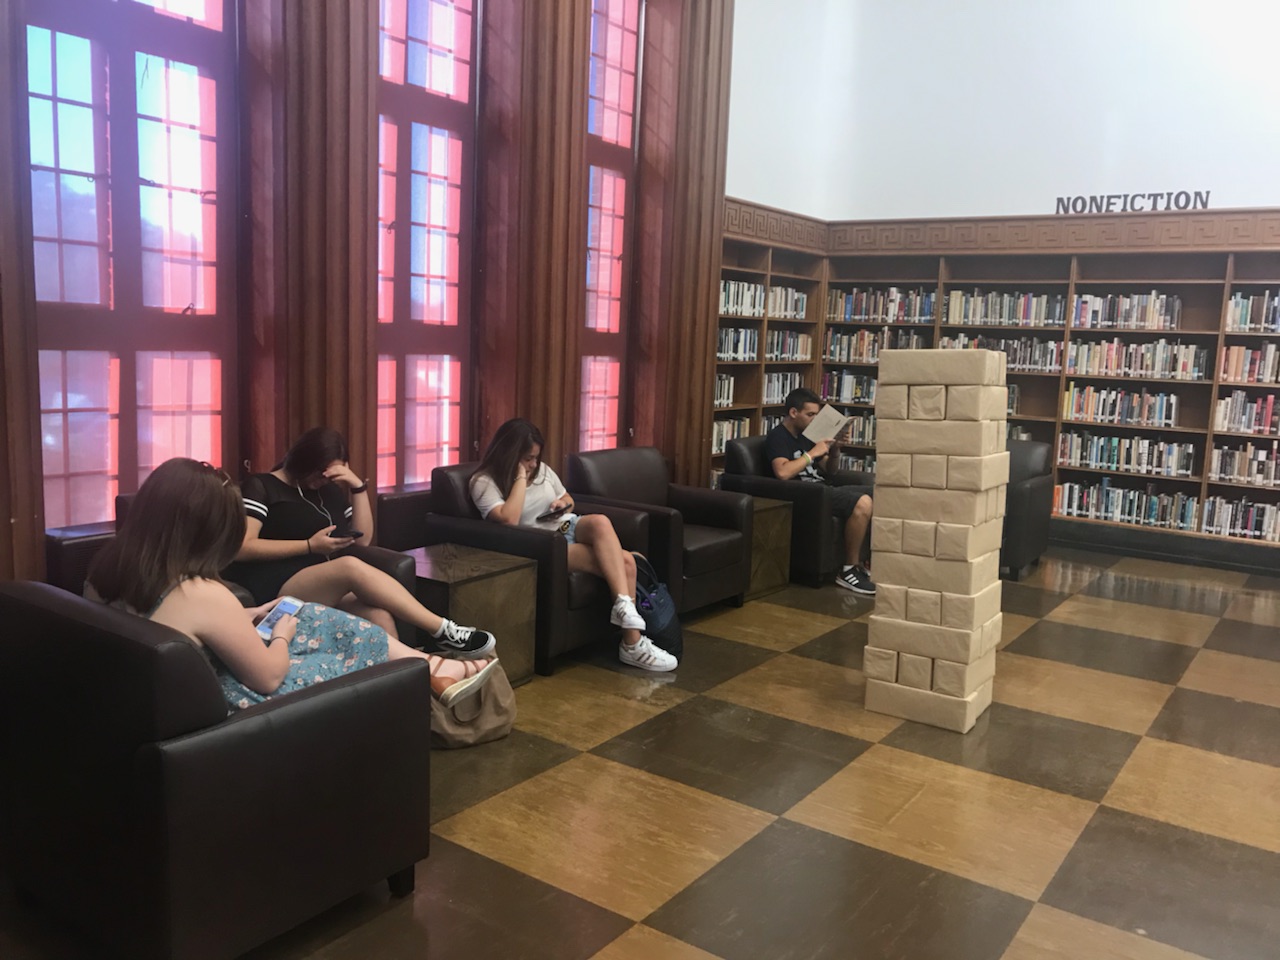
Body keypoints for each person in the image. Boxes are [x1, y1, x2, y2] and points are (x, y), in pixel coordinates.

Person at [86, 458, 497, 710]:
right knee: (334, 643)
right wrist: (279, 636)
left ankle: (429, 668)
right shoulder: (202, 592)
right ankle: (430, 669)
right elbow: (266, 677)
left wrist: (246, 614)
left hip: (159, 699)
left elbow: (182, 631)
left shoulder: (103, 571)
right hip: (225, 706)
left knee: (309, 612)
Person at [224, 427, 496, 659]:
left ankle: (411, 682)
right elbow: (242, 547)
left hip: (326, 586)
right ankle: (442, 630)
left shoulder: (329, 491)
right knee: (350, 567)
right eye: (319, 473)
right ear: (303, 461)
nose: (322, 481)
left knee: (379, 617)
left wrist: (358, 488)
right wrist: (308, 546)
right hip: (277, 588)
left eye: (330, 474)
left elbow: (364, 538)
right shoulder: (262, 486)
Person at [469, 418, 678, 672]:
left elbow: (567, 497)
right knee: (626, 562)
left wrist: (563, 505)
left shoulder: (543, 470)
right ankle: (632, 644)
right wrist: (520, 479)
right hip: (544, 545)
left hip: (565, 526)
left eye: (536, 457)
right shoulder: (483, 481)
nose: (534, 464)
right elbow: (509, 519)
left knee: (600, 522)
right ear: (509, 454)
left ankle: (624, 606)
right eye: (528, 458)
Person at [766, 387, 876, 595]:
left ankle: (866, 562)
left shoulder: (807, 435)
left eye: (817, 415)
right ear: (793, 413)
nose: (814, 419)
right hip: (806, 495)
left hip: (823, 489)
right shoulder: (777, 437)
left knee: (879, 492)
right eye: (810, 415)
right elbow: (782, 472)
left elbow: (830, 471)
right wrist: (812, 453)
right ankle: (848, 570)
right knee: (862, 502)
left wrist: (834, 451)